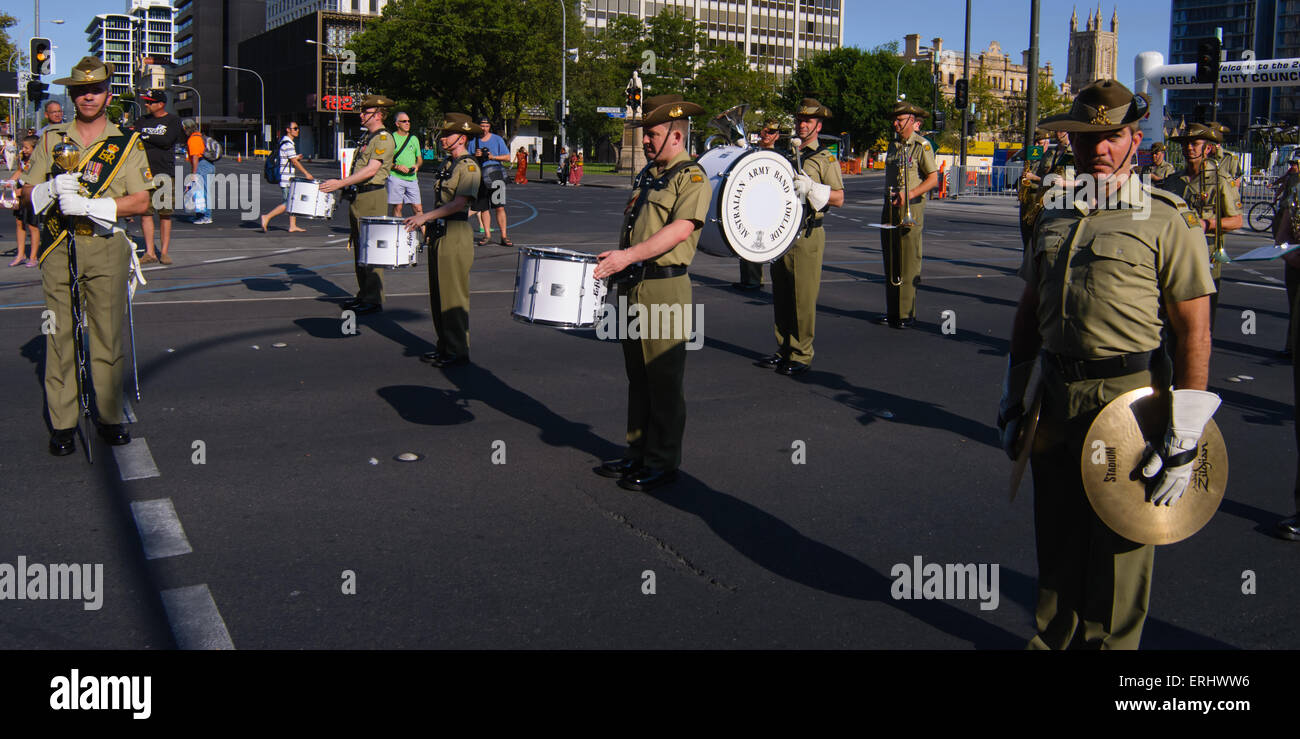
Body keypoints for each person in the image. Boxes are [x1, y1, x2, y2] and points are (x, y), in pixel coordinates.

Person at [999, 80, 1218, 649]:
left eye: (1112, 136)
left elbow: (1194, 331)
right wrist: (1013, 396)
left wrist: (1186, 436)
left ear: (1134, 139)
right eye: (1087, 136)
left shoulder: (1168, 218)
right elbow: (1029, 311)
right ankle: (1050, 641)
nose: (1098, 148)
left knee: (1121, 546)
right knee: (1058, 536)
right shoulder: (1052, 212)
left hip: (1131, 399)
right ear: (1070, 140)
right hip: (1056, 394)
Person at [22, 57, 154, 456]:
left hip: (104, 247)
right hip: (58, 247)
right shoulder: (49, 140)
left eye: (95, 90)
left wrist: (93, 207)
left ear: (107, 94)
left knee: (106, 335)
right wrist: (47, 192)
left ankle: (110, 415)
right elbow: (27, 195)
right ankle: (62, 423)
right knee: (59, 335)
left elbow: (141, 200)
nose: (88, 96)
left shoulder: (126, 142)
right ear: (73, 94)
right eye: (81, 90)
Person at [591, 94, 709, 492]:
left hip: (665, 287)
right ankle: (637, 451)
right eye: (644, 134)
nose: (645, 141)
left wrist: (627, 256)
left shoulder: (691, 177)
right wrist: (619, 261)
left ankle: (663, 460)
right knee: (637, 377)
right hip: (633, 284)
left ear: (676, 136)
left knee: (663, 378)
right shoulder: (648, 175)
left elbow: (680, 229)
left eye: (652, 134)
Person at [754, 99, 844, 375]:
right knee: (781, 295)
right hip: (782, 234)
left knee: (802, 298)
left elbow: (839, 198)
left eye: (807, 121)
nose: (801, 125)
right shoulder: (785, 154)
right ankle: (784, 349)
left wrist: (814, 189)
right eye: (799, 120)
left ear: (818, 126)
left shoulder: (825, 158)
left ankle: (802, 353)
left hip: (807, 234)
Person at [402, 113, 481, 368]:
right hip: (440, 232)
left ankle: (458, 350)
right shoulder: (449, 164)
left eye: (448, 134)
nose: (443, 138)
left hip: (455, 233)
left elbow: (460, 203)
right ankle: (444, 344)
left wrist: (424, 217)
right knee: (438, 294)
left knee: (453, 296)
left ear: (462, 137)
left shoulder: (469, 167)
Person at [320, 96, 395, 315]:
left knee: (371, 249)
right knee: (360, 248)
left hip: (372, 196)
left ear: (378, 115)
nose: (361, 115)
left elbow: (371, 170)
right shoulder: (368, 138)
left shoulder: (383, 138)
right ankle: (364, 293)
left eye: (366, 111)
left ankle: (373, 298)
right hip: (360, 196)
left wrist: (340, 184)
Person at [1167, 122, 1242, 329]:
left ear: (1207, 148)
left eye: (1194, 143)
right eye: (1185, 143)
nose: (1188, 148)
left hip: (1206, 254)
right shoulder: (1173, 180)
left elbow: (1236, 220)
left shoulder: (1220, 180)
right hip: (1176, 253)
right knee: (1173, 319)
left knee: (1202, 322)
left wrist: (1206, 224)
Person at [877, 101, 939, 329]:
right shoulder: (894, 146)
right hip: (891, 205)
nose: (895, 123)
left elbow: (933, 179)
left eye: (900, 120)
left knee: (908, 260)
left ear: (912, 122)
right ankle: (893, 310)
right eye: (894, 120)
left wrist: (910, 194)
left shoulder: (921, 146)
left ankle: (906, 312)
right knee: (891, 258)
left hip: (911, 207)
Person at [732, 118, 783, 291]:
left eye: (771, 132)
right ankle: (749, 279)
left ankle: (759, 280)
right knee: (747, 241)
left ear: (777, 136)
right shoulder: (753, 152)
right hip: (752, 201)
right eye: (765, 131)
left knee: (764, 243)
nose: (767, 134)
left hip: (769, 204)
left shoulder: (780, 156)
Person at [133, 89, 183, 265]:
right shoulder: (141, 120)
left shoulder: (173, 121)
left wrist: (144, 135)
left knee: (165, 214)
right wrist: (143, 136)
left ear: (161, 104)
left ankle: (164, 252)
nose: (146, 105)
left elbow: (167, 141)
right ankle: (149, 252)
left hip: (164, 172)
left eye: (149, 102)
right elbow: (133, 137)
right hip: (143, 173)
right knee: (145, 214)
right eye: (146, 102)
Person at [260, 122, 313, 233]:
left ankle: (292, 226)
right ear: (288, 130)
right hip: (286, 178)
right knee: (288, 203)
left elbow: (290, 159)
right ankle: (267, 217)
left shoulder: (286, 142)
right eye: (294, 128)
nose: (297, 130)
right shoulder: (288, 144)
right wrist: (306, 173)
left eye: (297, 128)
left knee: (291, 201)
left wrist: (296, 157)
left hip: (287, 177)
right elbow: (293, 161)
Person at [470, 116, 511, 247]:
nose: (484, 128)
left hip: (495, 175)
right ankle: (487, 234)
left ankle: (504, 236)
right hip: (480, 176)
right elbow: (468, 159)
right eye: (482, 126)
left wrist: (492, 156)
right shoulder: (473, 141)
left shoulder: (497, 139)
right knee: (483, 208)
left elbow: (508, 157)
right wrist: (475, 156)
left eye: (487, 126)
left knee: (499, 206)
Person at [7, 135, 39, 267]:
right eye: (23, 147)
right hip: (20, 193)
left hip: (31, 194)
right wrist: (10, 181)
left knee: (32, 225)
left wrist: (24, 190)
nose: (24, 150)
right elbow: (19, 171)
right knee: (19, 223)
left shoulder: (37, 161)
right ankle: (20, 254)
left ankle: (33, 256)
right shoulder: (22, 159)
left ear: (34, 148)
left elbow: (39, 180)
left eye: (27, 147)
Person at [387, 111, 422, 218]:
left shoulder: (414, 139)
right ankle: (398, 232)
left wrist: (417, 166)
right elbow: (385, 161)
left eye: (408, 121)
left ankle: (426, 235)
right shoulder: (391, 138)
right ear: (397, 124)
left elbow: (419, 159)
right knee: (398, 207)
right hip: (396, 178)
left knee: (418, 208)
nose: (407, 123)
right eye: (404, 121)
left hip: (412, 178)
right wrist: (397, 166)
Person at [183, 119, 213, 225]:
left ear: (186, 128)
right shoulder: (198, 136)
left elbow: (195, 157)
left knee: (204, 191)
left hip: (202, 165)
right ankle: (200, 215)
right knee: (199, 191)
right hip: (205, 165)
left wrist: (193, 174)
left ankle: (207, 216)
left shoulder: (193, 139)